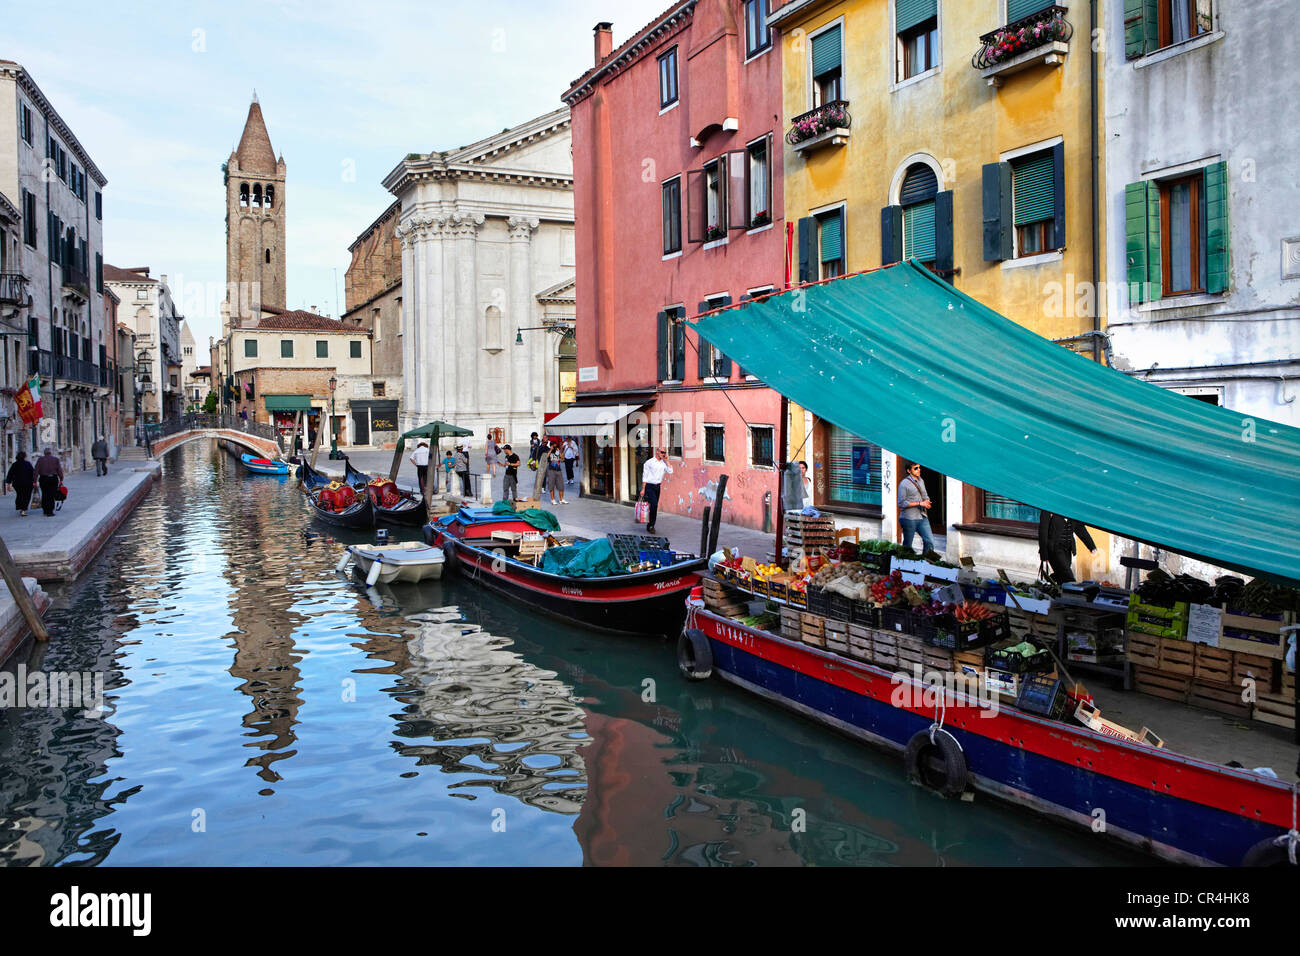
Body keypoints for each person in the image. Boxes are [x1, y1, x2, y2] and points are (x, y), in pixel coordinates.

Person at [1038, 511, 1098, 584]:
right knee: (1067, 575)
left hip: (1068, 548)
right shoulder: (1049, 509)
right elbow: (1043, 531)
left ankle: (1055, 583)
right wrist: (1044, 553)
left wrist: (1091, 546)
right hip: (1054, 549)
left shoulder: (1072, 509)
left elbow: (1080, 528)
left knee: (1062, 575)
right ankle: (1075, 592)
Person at [898, 461, 937, 558]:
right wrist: (919, 503)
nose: (919, 470)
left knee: (930, 541)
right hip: (908, 518)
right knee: (907, 546)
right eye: (916, 468)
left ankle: (925, 563)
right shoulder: (904, 484)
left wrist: (927, 501)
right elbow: (901, 503)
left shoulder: (921, 480)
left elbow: (924, 495)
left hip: (922, 516)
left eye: (919, 467)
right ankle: (904, 566)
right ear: (909, 471)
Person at [638, 446, 672, 535]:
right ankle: (651, 526)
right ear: (657, 452)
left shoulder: (663, 463)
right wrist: (643, 489)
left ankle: (650, 524)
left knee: (654, 506)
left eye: (664, 452)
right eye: (662, 452)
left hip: (657, 487)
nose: (663, 454)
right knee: (654, 504)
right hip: (649, 486)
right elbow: (645, 476)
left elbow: (670, 471)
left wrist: (667, 461)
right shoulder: (649, 463)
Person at [34, 447, 63, 518]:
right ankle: (50, 510)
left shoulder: (40, 460)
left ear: (44, 453)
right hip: (53, 478)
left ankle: (45, 509)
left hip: (44, 479)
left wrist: (34, 480)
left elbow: (36, 471)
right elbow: (59, 470)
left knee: (45, 493)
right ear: (50, 453)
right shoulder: (56, 459)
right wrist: (61, 479)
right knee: (52, 494)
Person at [5, 451, 35, 516]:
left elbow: (10, 474)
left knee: (20, 495)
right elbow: (32, 473)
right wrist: (34, 481)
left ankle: (21, 507)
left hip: (17, 484)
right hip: (28, 483)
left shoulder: (14, 464)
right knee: (26, 496)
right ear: (24, 457)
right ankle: (23, 509)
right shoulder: (28, 464)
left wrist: (8, 484)